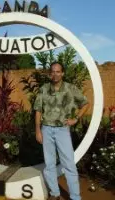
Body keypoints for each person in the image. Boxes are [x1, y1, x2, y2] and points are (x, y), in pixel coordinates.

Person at [34, 62, 89, 200]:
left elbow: (85, 104)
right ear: (49, 73)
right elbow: (38, 111)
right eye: (52, 71)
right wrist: (38, 130)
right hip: (46, 129)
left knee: (69, 164)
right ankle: (55, 194)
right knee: (49, 164)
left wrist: (75, 118)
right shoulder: (44, 89)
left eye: (58, 71)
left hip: (62, 131)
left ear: (62, 73)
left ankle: (75, 197)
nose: (55, 74)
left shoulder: (71, 88)